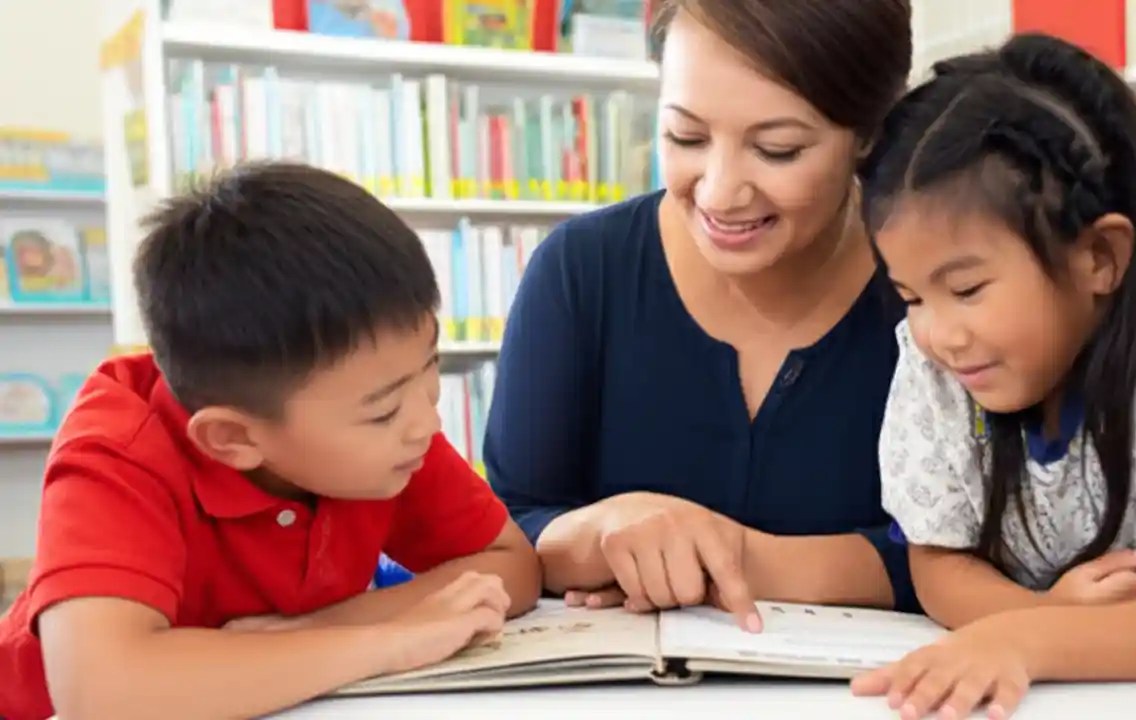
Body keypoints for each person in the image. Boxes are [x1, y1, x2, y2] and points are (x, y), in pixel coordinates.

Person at [0, 163, 541, 720]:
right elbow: (102, 693)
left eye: (430, 367)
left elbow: (511, 564)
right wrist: (390, 640)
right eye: (382, 410)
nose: (428, 421)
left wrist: (321, 628)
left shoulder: (390, 436)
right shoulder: (120, 447)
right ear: (232, 438)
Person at [848, 33, 1136, 720]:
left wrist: (1037, 637)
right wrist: (1035, 616)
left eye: (966, 289)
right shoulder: (931, 365)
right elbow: (938, 565)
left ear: (1099, 258)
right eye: (911, 296)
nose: (938, 333)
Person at [485, 0, 919, 630]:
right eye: (685, 137)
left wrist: (724, 557)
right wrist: (602, 531)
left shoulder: (931, 286)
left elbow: (978, 551)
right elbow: (502, 526)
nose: (719, 193)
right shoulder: (581, 270)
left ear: (871, 134)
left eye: (777, 150)